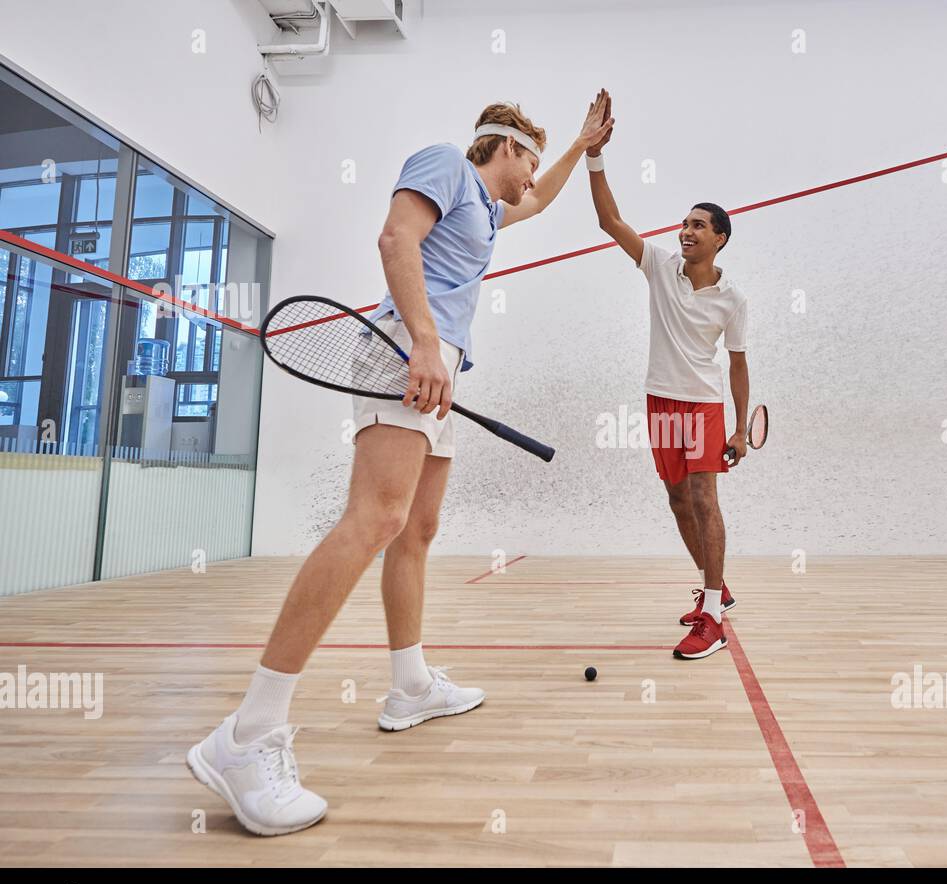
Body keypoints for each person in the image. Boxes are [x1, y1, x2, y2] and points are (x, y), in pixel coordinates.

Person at [187, 93, 614, 836]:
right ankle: (248, 735)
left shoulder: (486, 210)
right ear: (501, 146)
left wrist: (581, 143)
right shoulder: (448, 163)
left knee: (416, 527)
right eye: (531, 158)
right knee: (375, 518)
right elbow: (395, 241)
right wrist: (422, 338)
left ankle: (410, 685)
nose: (533, 176)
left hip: (437, 364)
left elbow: (540, 202)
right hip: (405, 352)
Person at [585, 96, 750, 661]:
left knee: (705, 497)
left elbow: (737, 364)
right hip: (660, 403)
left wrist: (739, 429)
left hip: (703, 406)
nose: (685, 231)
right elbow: (610, 220)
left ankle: (711, 616)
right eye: (684, 223)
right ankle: (715, 583)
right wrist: (594, 158)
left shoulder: (733, 300)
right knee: (678, 499)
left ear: (720, 239)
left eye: (698, 226)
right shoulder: (659, 267)